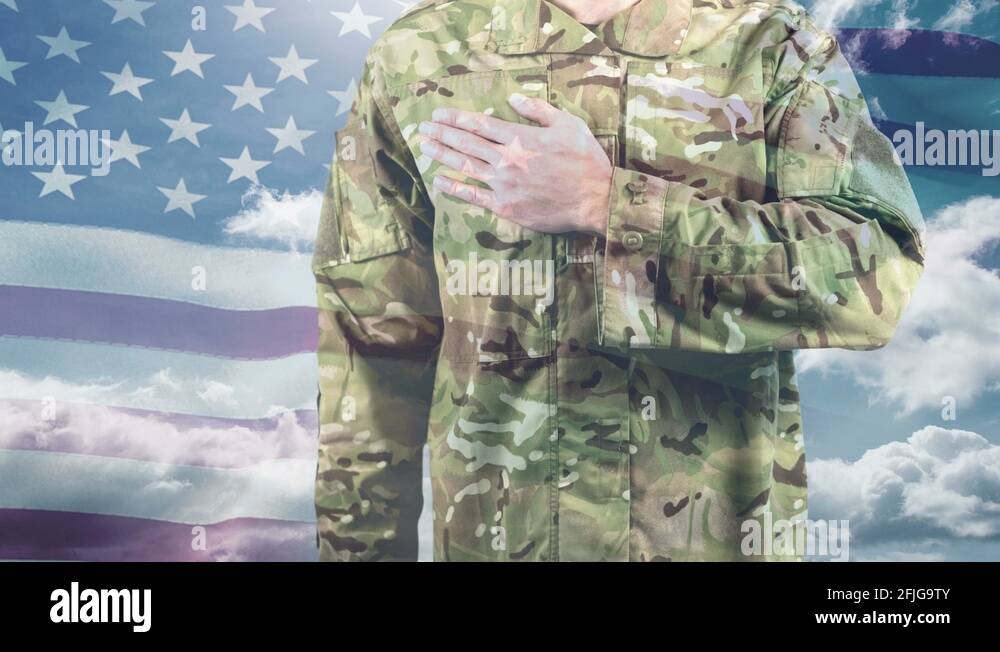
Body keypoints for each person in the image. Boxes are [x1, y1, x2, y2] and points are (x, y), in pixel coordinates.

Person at [311, 0, 925, 561]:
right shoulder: (416, 52)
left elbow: (879, 279)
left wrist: (612, 204)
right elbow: (370, 342)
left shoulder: (772, 44)